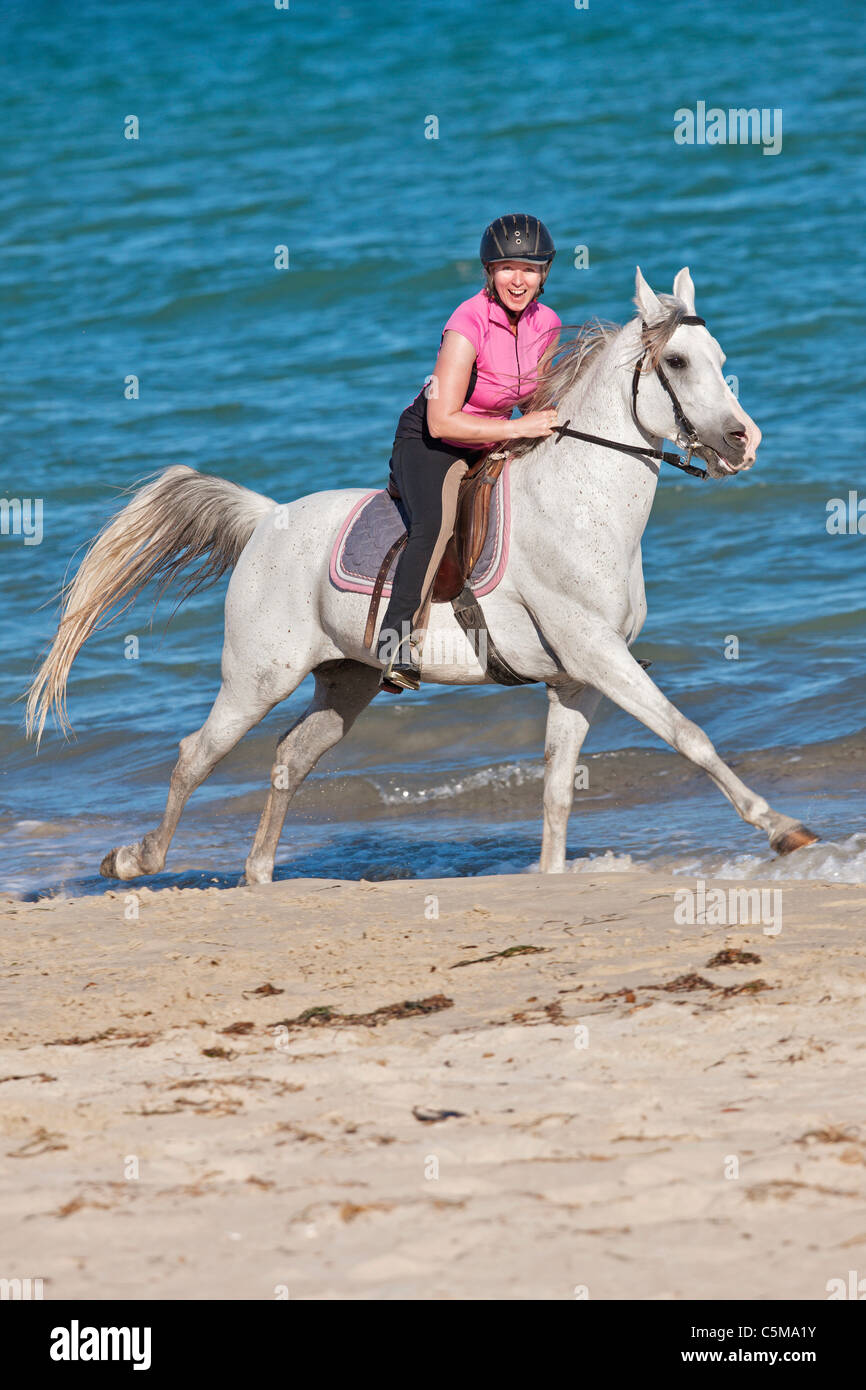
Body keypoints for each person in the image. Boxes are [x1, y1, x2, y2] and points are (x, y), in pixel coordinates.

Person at [377, 213, 561, 692]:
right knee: (433, 527)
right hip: (432, 441)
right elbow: (443, 419)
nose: (518, 279)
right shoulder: (467, 321)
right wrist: (520, 427)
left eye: (530, 268)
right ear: (489, 272)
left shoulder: (548, 323)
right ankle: (393, 647)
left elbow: (533, 401)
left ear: (544, 274)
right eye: (506, 268)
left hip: (495, 435)